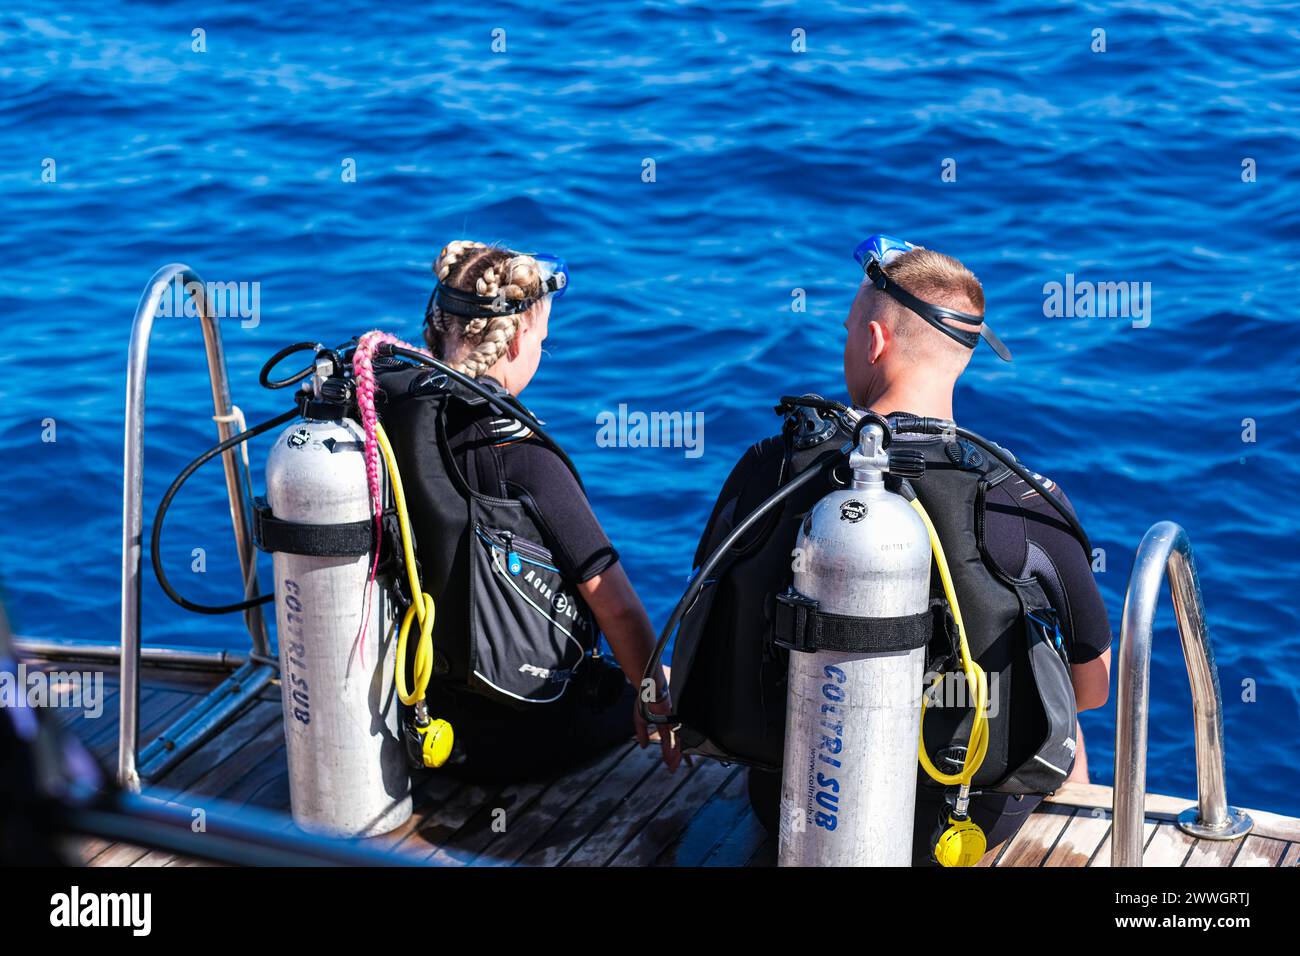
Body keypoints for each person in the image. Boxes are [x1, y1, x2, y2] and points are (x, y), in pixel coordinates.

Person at [689, 235, 1111, 864]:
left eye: (848, 330)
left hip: (793, 802)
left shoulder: (770, 469)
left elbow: (702, 616)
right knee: (1063, 724)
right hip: (961, 821)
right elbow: (1094, 685)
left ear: (875, 342)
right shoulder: (1020, 498)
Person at [377, 240, 680, 781]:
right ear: (517, 340)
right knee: (674, 680)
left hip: (420, 718)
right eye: (542, 336)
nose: (543, 345)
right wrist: (655, 698)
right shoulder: (518, 454)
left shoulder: (390, 415)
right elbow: (616, 608)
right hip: (522, 734)